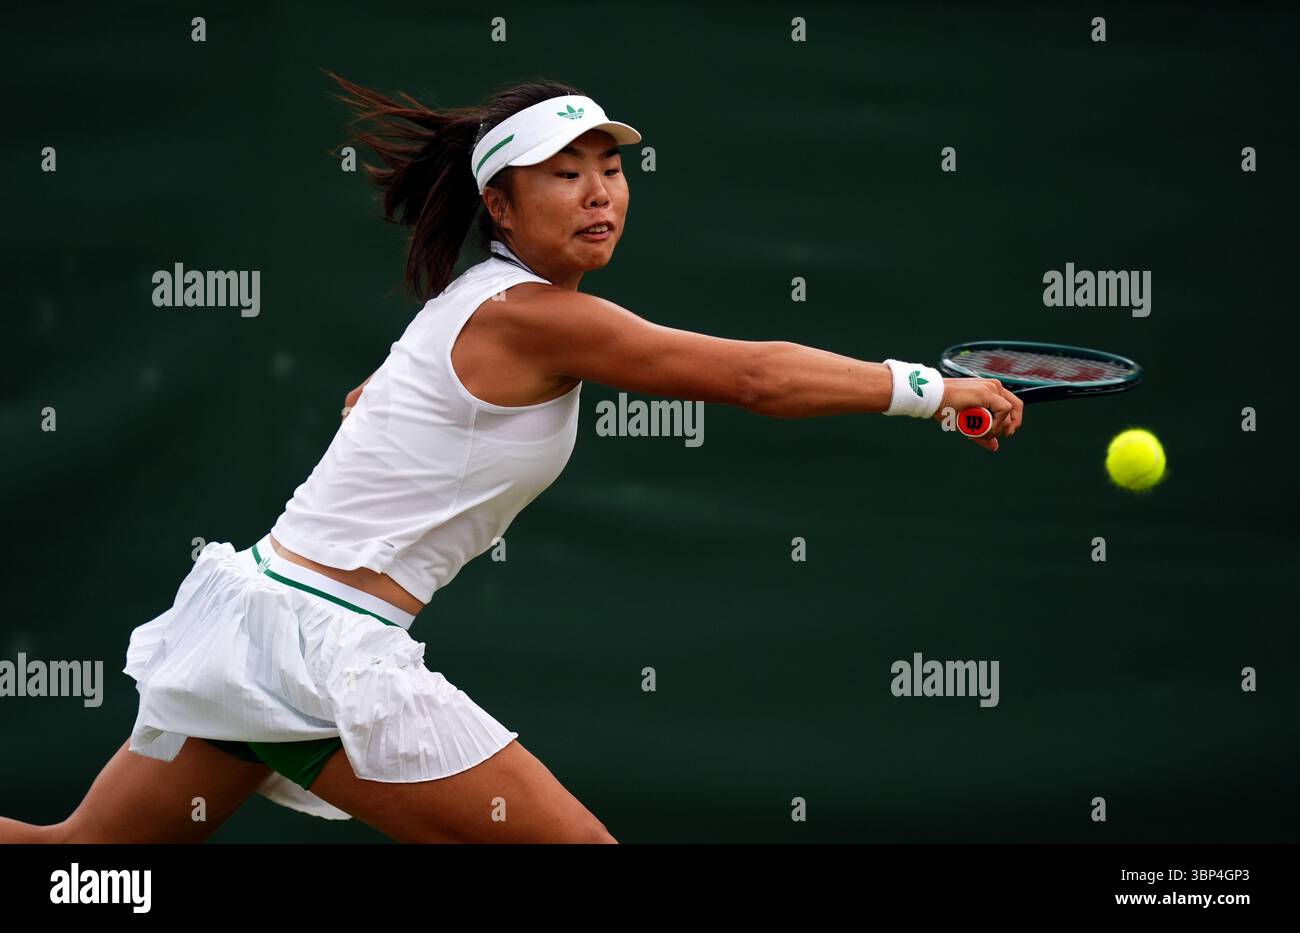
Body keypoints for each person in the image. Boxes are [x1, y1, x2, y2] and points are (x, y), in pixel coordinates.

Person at [0, 75, 1021, 844]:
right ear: (500, 204)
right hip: (318, 648)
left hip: (260, 624)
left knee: (81, 862)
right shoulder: (528, 317)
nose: (598, 194)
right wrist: (930, 391)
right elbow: (754, 377)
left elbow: (380, 403)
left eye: (611, 169)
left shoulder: (471, 307)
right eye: (564, 174)